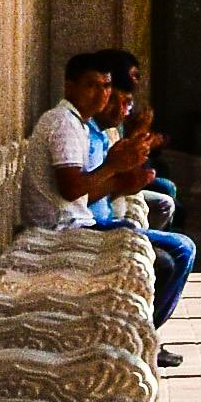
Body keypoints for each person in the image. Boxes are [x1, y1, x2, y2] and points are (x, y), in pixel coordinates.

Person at [35, 46, 192, 335]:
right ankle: (143, 336)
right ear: (70, 86)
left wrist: (123, 180)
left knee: (171, 238)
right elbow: (71, 190)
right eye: (91, 86)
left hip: (79, 221)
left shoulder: (77, 123)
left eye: (106, 86)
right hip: (64, 230)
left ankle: (144, 335)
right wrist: (113, 169)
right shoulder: (63, 123)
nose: (100, 94)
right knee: (179, 251)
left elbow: (86, 188)